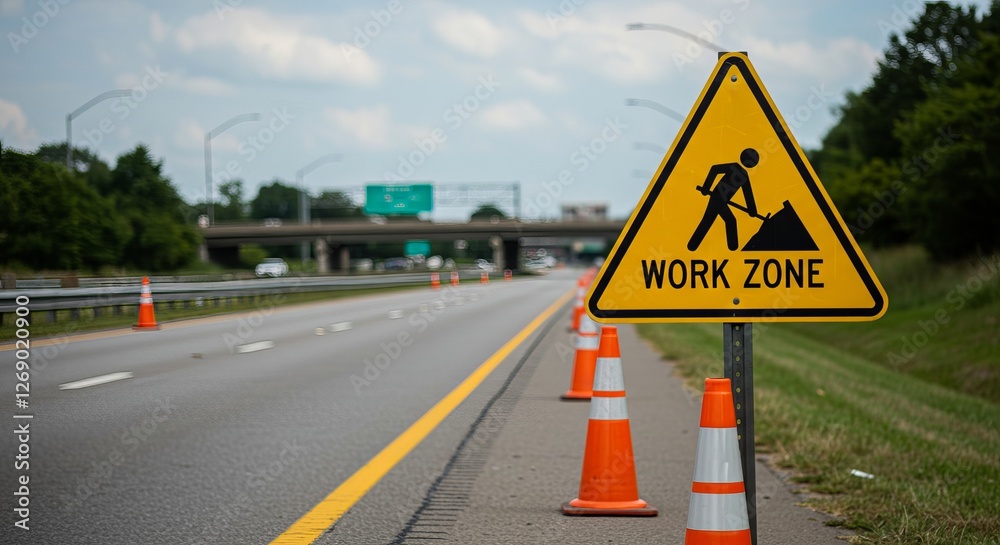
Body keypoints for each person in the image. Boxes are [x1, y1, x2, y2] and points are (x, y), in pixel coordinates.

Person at [687, 148, 759, 252]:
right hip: (717, 198)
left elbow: (748, 195)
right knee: (723, 220)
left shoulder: (743, 174)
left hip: (721, 200)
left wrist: (752, 210)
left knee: (714, 220)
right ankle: (693, 246)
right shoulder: (734, 167)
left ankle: (693, 246)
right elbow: (714, 169)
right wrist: (706, 187)